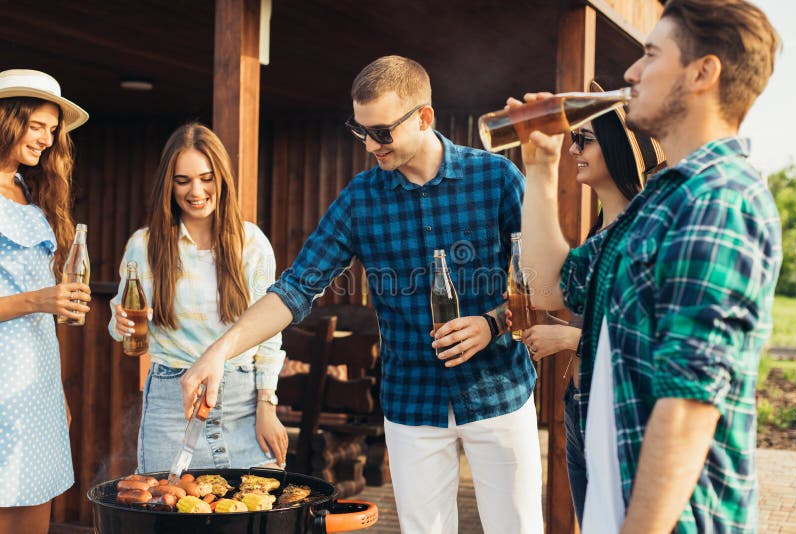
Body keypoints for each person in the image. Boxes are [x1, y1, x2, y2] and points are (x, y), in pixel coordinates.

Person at [181, 55, 544, 534]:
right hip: (412, 403)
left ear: (424, 118)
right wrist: (219, 351)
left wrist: (491, 323)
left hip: (499, 390)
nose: (371, 145)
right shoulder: (360, 198)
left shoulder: (497, 179)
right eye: (362, 130)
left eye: (383, 132)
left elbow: (539, 282)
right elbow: (295, 288)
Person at [516, 0, 782, 532]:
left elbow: (687, 405)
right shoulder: (658, 200)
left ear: (704, 73)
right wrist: (541, 170)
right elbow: (553, 291)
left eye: (651, 55)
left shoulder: (718, 201)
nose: (632, 73)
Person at [519, 80, 665, 526]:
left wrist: (570, 337)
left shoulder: (650, 235)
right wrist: (537, 168)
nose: (572, 149)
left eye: (584, 139)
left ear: (622, 149)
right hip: (579, 406)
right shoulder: (600, 236)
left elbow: (652, 343)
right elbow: (544, 290)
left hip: (622, 417)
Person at [108, 123, 288, 473]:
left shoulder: (252, 243)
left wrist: (267, 405)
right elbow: (124, 329)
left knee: (255, 517)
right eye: (182, 180)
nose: (196, 190)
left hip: (244, 405)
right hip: (171, 406)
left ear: (221, 178)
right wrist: (120, 323)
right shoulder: (143, 246)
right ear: (168, 184)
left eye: (206, 178)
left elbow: (269, 331)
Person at [0, 69, 90, 533]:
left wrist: (53, 392)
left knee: (35, 516)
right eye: (37, 126)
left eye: (53, 131)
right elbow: (33, 302)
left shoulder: (32, 194)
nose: (48, 139)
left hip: (35, 385)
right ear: (6, 120)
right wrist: (40, 299)